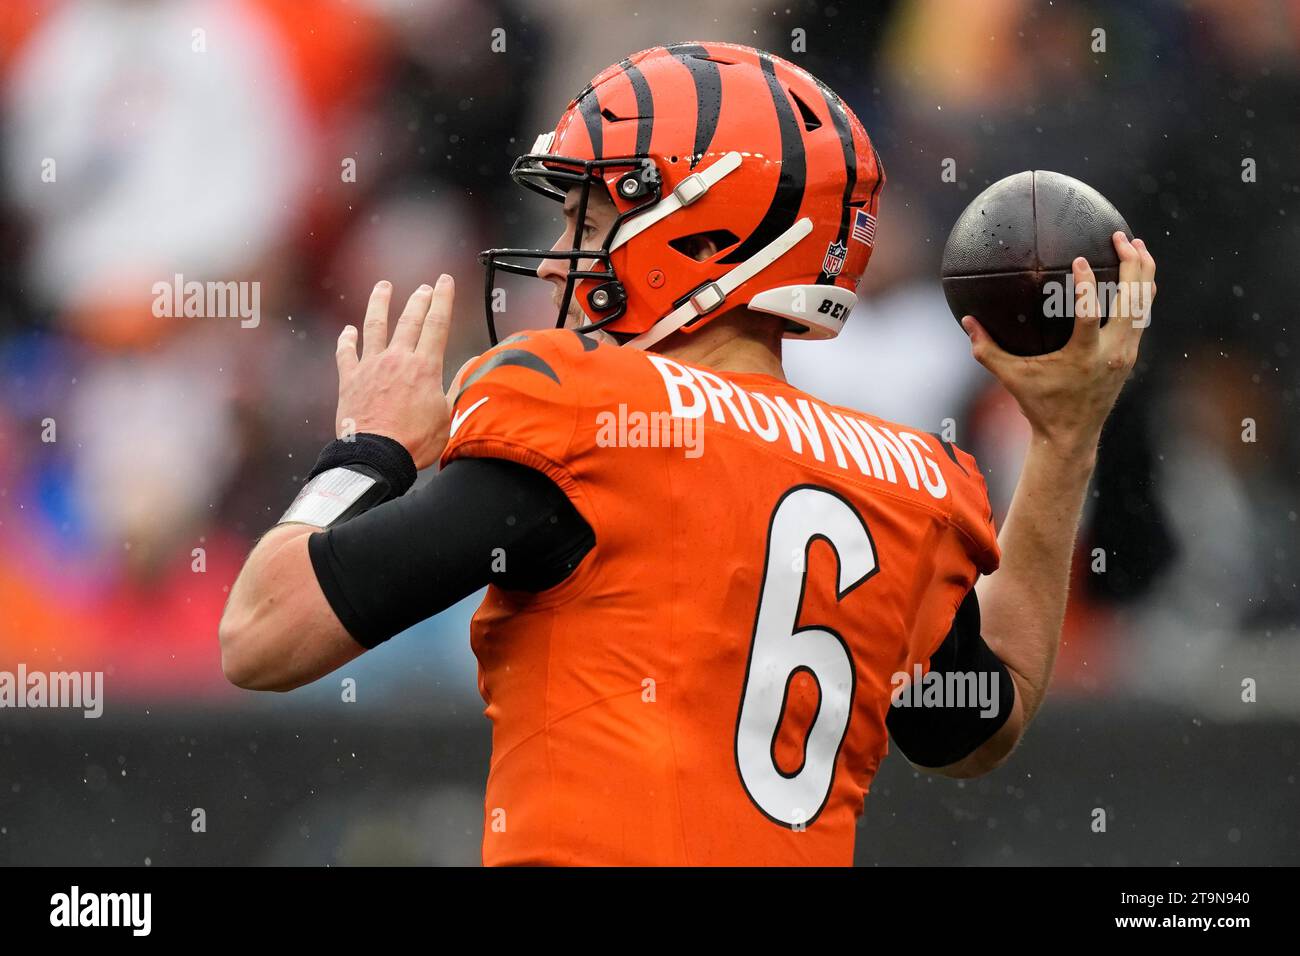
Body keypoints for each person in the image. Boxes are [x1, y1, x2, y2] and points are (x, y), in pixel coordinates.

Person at [218, 42, 1156, 865]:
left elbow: (263, 637)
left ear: (703, 230)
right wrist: (1065, 441)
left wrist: (368, 448)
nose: (554, 260)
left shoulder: (583, 411)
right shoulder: (906, 477)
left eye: (586, 218)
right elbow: (976, 727)